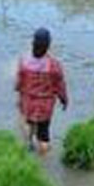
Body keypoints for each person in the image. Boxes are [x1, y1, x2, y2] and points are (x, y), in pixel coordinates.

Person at [15, 27, 68, 155]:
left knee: (30, 123)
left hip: (29, 103)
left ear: (33, 43)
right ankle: (43, 161)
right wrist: (64, 99)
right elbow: (60, 85)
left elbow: (19, 83)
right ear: (48, 45)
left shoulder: (24, 61)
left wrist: (19, 96)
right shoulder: (54, 65)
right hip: (45, 106)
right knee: (43, 134)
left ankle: (28, 145)